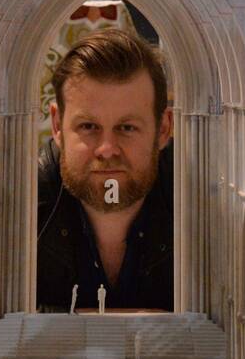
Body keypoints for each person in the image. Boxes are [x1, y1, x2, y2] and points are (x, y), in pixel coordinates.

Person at [37, 29, 174, 311]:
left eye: (127, 128)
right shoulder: (18, 209)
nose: (107, 149)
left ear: (163, 129)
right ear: (57, 126)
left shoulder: (206, 209)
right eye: (88, 127)